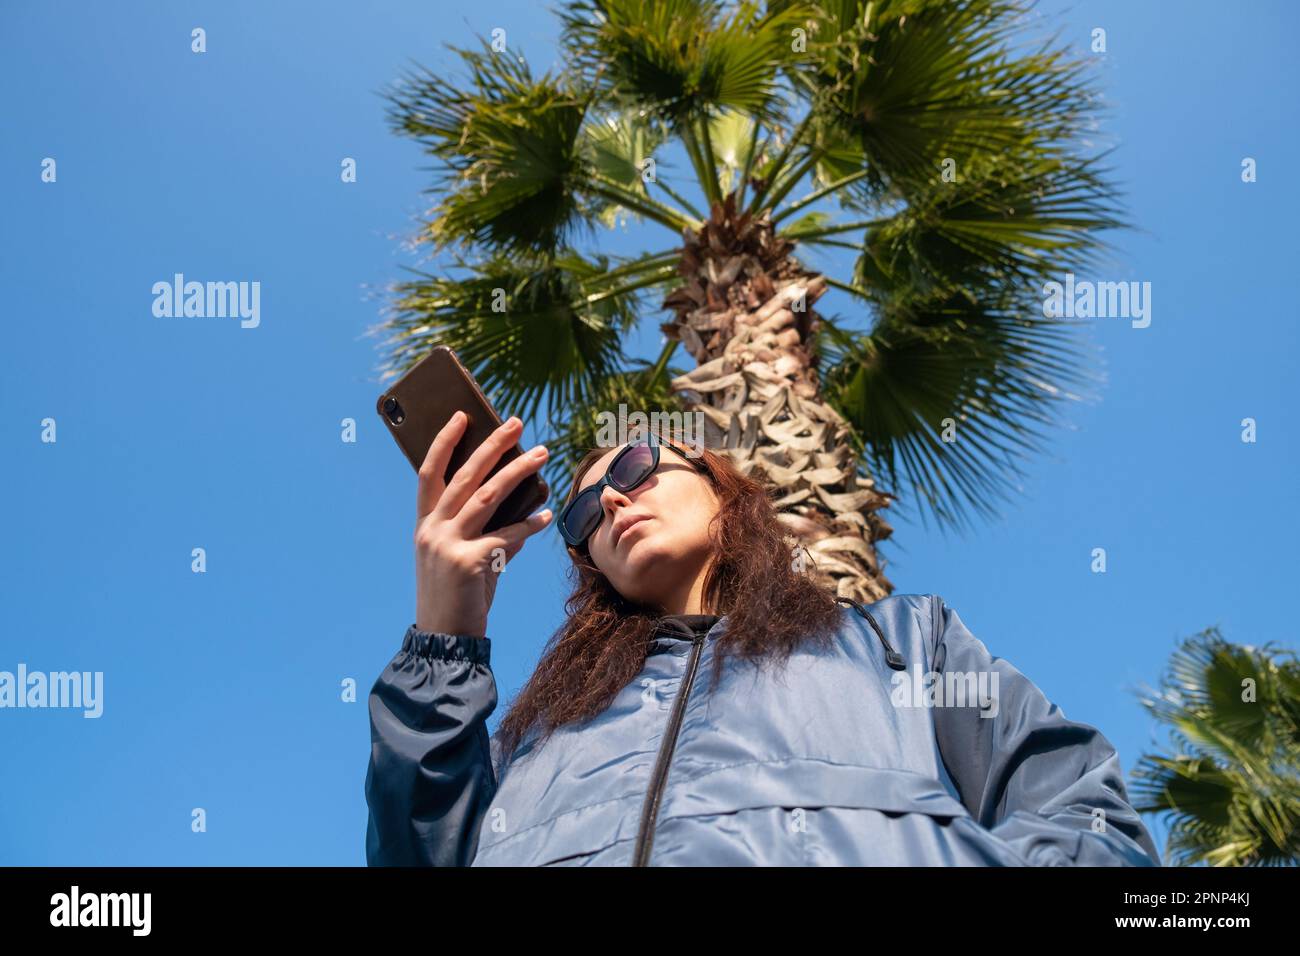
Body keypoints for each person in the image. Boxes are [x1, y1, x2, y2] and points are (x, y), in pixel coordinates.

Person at [364, 412, 1162, 866]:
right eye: (579, 514)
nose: (610, 503)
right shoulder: (539, 734)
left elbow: (1083, 814)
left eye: (636, 466)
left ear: (724, 487)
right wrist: (446, 632)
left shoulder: (907, 642)